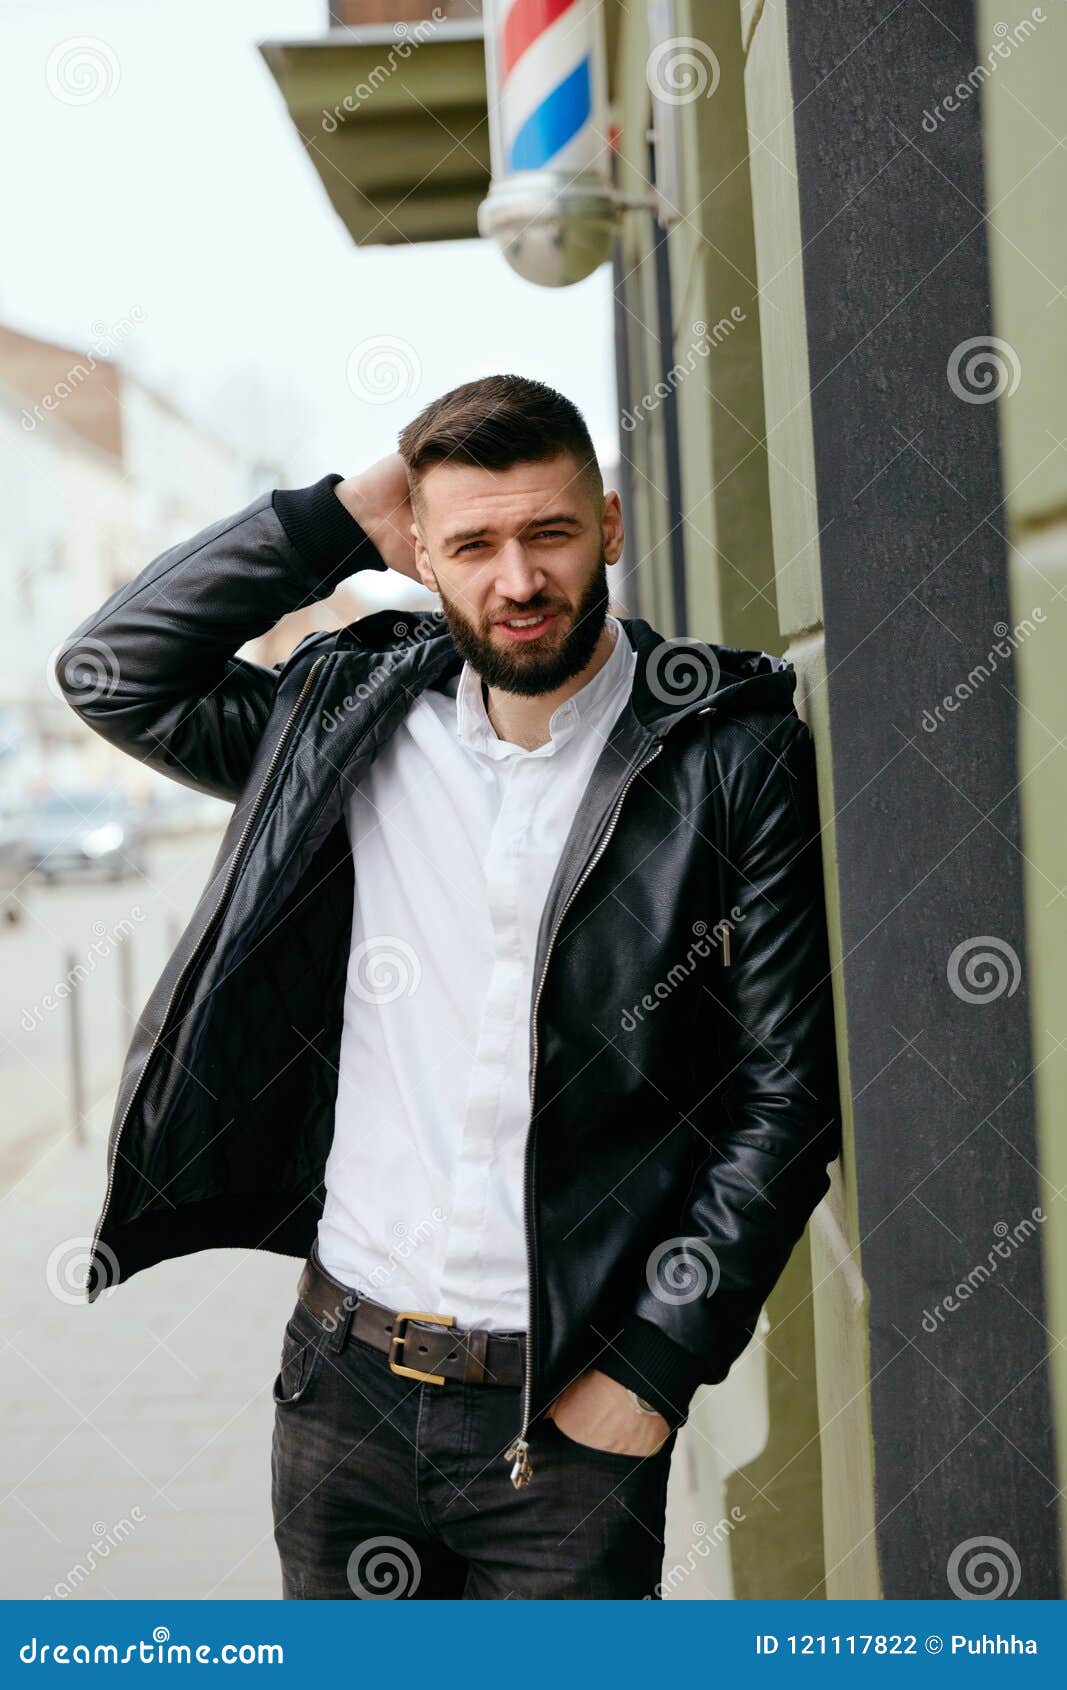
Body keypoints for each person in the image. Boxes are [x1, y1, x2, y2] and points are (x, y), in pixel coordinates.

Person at [55, 374, 840, 1600]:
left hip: (567, 1418)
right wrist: (330, 520)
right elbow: (114, 671)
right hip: (341, 1387)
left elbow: (785, 1097)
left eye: (549, 533)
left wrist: (651, 1370)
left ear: (609, 528)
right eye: (471, 544)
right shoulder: (346, 717)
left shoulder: (725, 750)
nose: (516, 580)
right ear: (418, 555)